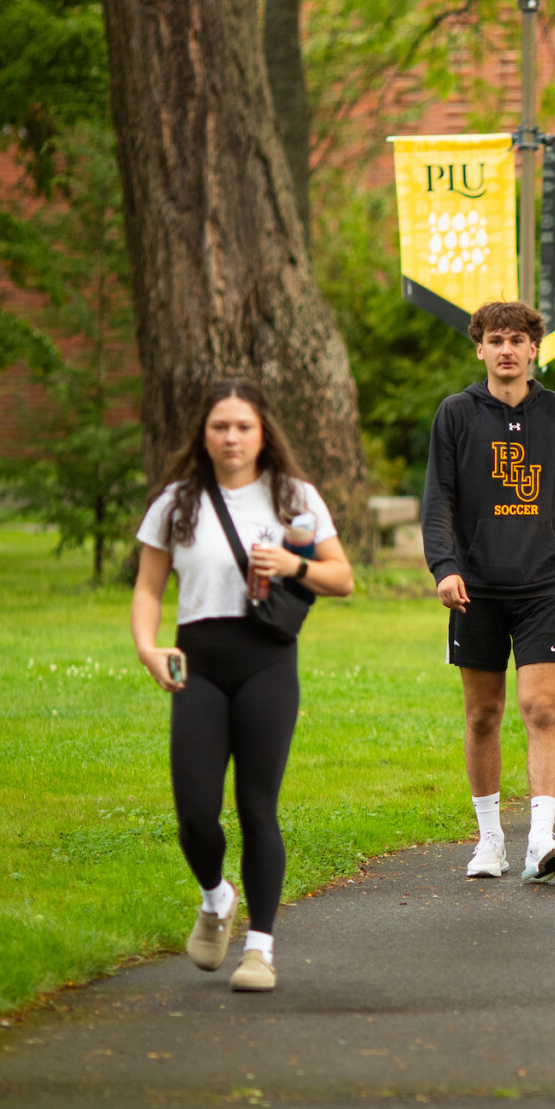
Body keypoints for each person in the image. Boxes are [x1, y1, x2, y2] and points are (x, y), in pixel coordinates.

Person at [133, 380, 355, 993]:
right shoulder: (176, 503)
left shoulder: (293, 497)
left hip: (267, 661)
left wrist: (293, 564)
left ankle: (260, 949)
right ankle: (215, 896)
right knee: (195, 816)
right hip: (197, 662)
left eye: (243, 427)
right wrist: (151, 649)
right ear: (203, 435)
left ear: (263, 434)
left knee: (258, 808)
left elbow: (342, 577)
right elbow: (150, 588)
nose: (231, 437)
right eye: (219, 427)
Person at [422, 301, 555, 886]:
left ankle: (540, 839)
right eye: (495, 340)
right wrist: (444, 567)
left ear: (534, 350)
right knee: (483, 714)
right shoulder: (456, 414)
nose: (507, 350)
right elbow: (439, 502)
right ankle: (489, 841)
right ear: (479, 348)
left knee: (541, 708)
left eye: (518, 340)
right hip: (474, 590)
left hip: (542, 587)